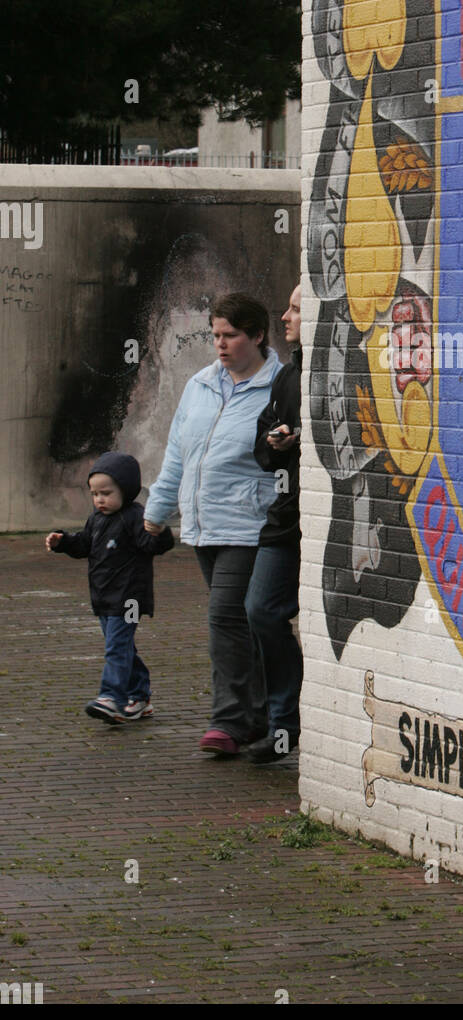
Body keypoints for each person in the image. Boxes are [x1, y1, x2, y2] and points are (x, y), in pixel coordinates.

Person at [142, 293, 281, 755]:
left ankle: (229, 721)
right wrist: (157, 513)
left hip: (249, 524)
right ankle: (260, 715)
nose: (220, 345)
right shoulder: (200, 384)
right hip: (203, 525)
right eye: (215, 335)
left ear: (257, 335)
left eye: (231, 336)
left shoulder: (279, 386)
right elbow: (179, 453)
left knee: (224, 616)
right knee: (241, 623)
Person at [46, 452, 174, 723]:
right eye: (94, 494)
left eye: (106, 493)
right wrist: (64, 542)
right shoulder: (97, 519)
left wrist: (160, 532)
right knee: (122, 647)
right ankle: (140, 695)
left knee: (117, 647)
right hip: (104, 597)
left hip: (130, 599)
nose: (99, 500)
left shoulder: (135, 516)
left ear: (126, 490)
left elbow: (153, 544)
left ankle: (111, 697)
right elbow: (84, 545)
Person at [243, 285, 304, 764]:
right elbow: (261, 449)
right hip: (284, 519)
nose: (285, 317)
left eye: (297, 309)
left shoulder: (337, 372)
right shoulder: (287, 377)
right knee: (261, 609)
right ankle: (285, 723)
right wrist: (277, 440)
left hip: (322, 520)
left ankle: (296, 720)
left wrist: (301, 439)